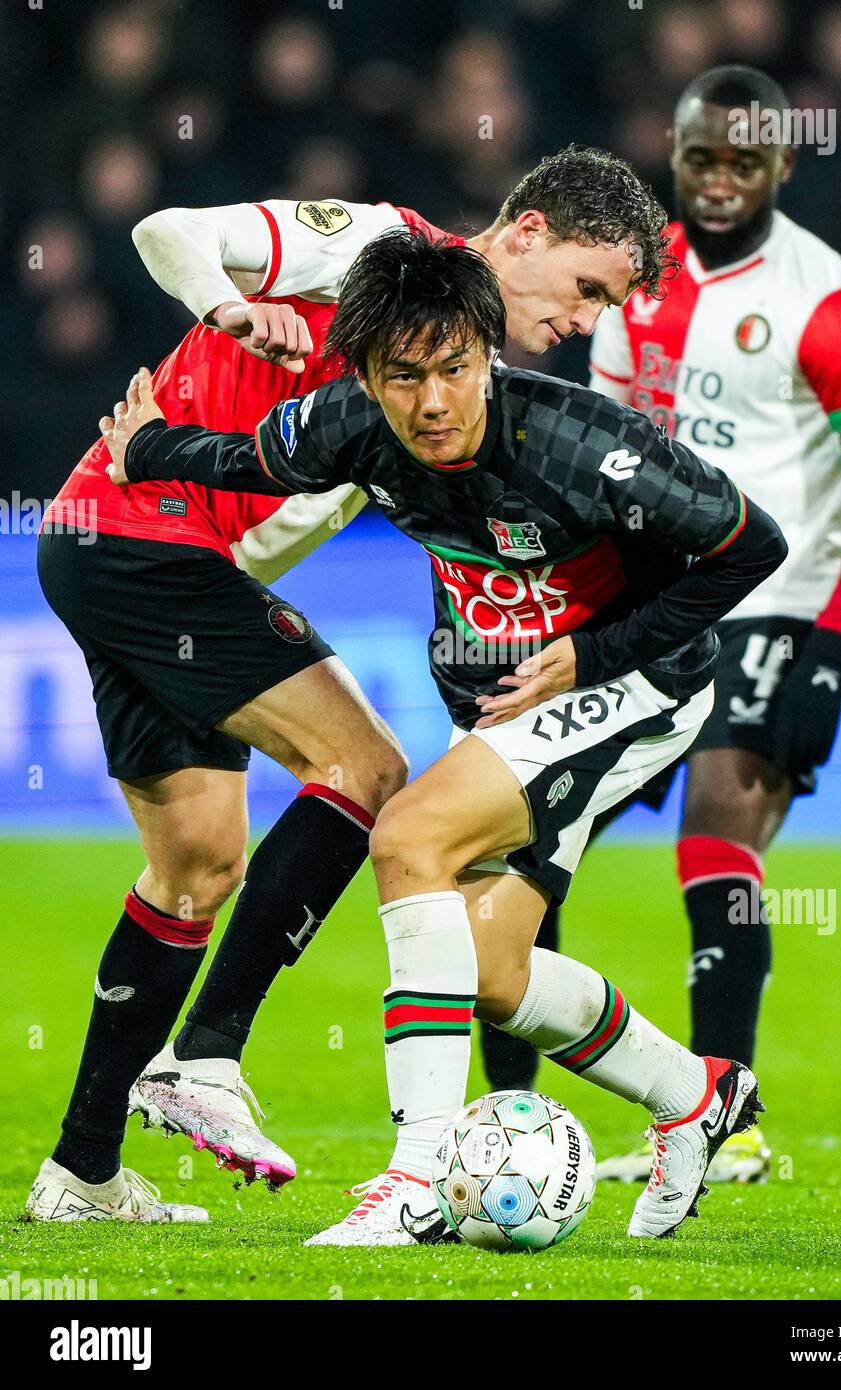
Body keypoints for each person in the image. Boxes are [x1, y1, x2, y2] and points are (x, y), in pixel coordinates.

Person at [99, 228, 787, 1244]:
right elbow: (252, 462)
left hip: (637, 684)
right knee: (490, 970)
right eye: (402, 375)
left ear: (487, 350)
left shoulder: (585, 443)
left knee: (407, 836)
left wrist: (595, 655)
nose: (431, 402)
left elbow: (749, 546)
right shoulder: (347, 423)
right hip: (521, 705)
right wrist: (147, 448)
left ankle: (417, 1176)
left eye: (454, 368)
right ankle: (695, 1095)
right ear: (366, 374)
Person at [28, 148, 672, 1222]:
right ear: (526, 233)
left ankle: (81, 1169)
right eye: (587, 287)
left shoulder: (451, 379)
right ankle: (205, 1058)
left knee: (194, 868)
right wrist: (233, 308)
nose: (588, 319)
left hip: (139, 555)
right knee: (369, 769)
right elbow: (167, 231)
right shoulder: (380, 247)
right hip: (145, 539)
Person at [575, 66, 841, 1185]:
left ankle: (728, 1120)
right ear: (673, 154)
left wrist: (831, 649)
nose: (719, 182)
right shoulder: (635, 284)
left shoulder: (830, 301)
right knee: (536, 829)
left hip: (779, 599)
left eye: (744, 162)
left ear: (784, 164)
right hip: (666, 602)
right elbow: (613, 450)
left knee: (714, 824)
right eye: (700, 159)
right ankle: (496, 1116)